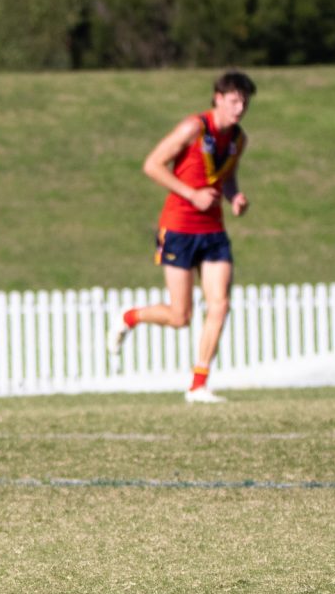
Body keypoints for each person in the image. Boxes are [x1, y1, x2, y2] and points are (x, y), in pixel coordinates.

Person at [109, 70, 257, 403]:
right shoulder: (194, 127)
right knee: (181, 316)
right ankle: (130, 317)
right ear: (218, 98)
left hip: (214, 230)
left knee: (220, 304)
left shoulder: (237, 139)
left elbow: (227, 177)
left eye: (245, 102)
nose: (240, 107)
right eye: (234, 100)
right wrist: (192, 195)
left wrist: (234, 197)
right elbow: (152, 164)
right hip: (179, 228)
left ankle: (198, 385)